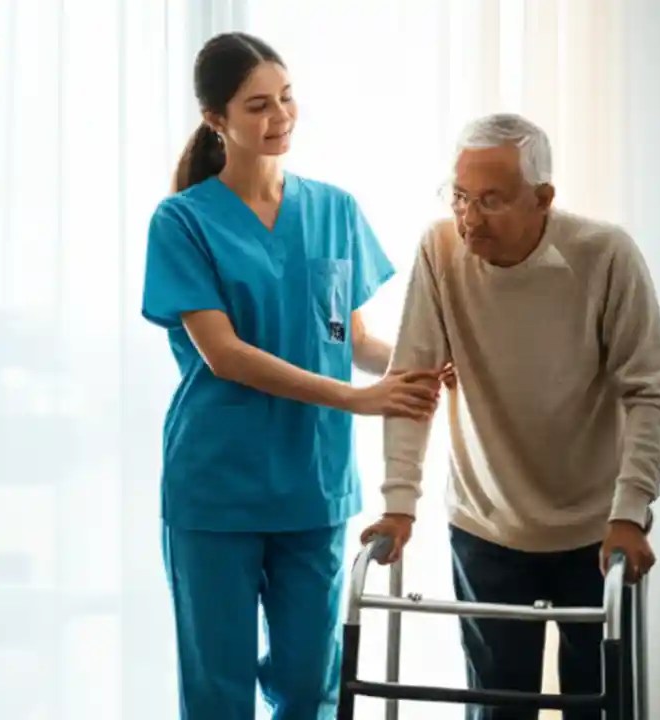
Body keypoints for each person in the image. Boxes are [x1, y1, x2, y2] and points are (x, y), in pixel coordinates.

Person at [141, 32, 446, 720]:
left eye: (286, 98)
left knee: (312, 684)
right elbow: (226, 355)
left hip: (314, 485)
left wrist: (423, 364)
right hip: (217, 487)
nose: (280, 116)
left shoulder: (333, 210)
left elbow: (350, 337)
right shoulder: (183, 222)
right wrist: (357, 399)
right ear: (216, 120)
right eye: (257, 106)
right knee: (218, 692)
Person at [361, 113, 660, 720]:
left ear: (544, 199)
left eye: (490, 200)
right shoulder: (440, 249)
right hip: (487, 526)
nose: (469, 218)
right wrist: (399, 503)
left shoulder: (604, 254)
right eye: (458, 197)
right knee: (498, 709)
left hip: (595, 529)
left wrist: (631, 512)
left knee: (600, 705)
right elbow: (413, 381)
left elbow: (652, 391)